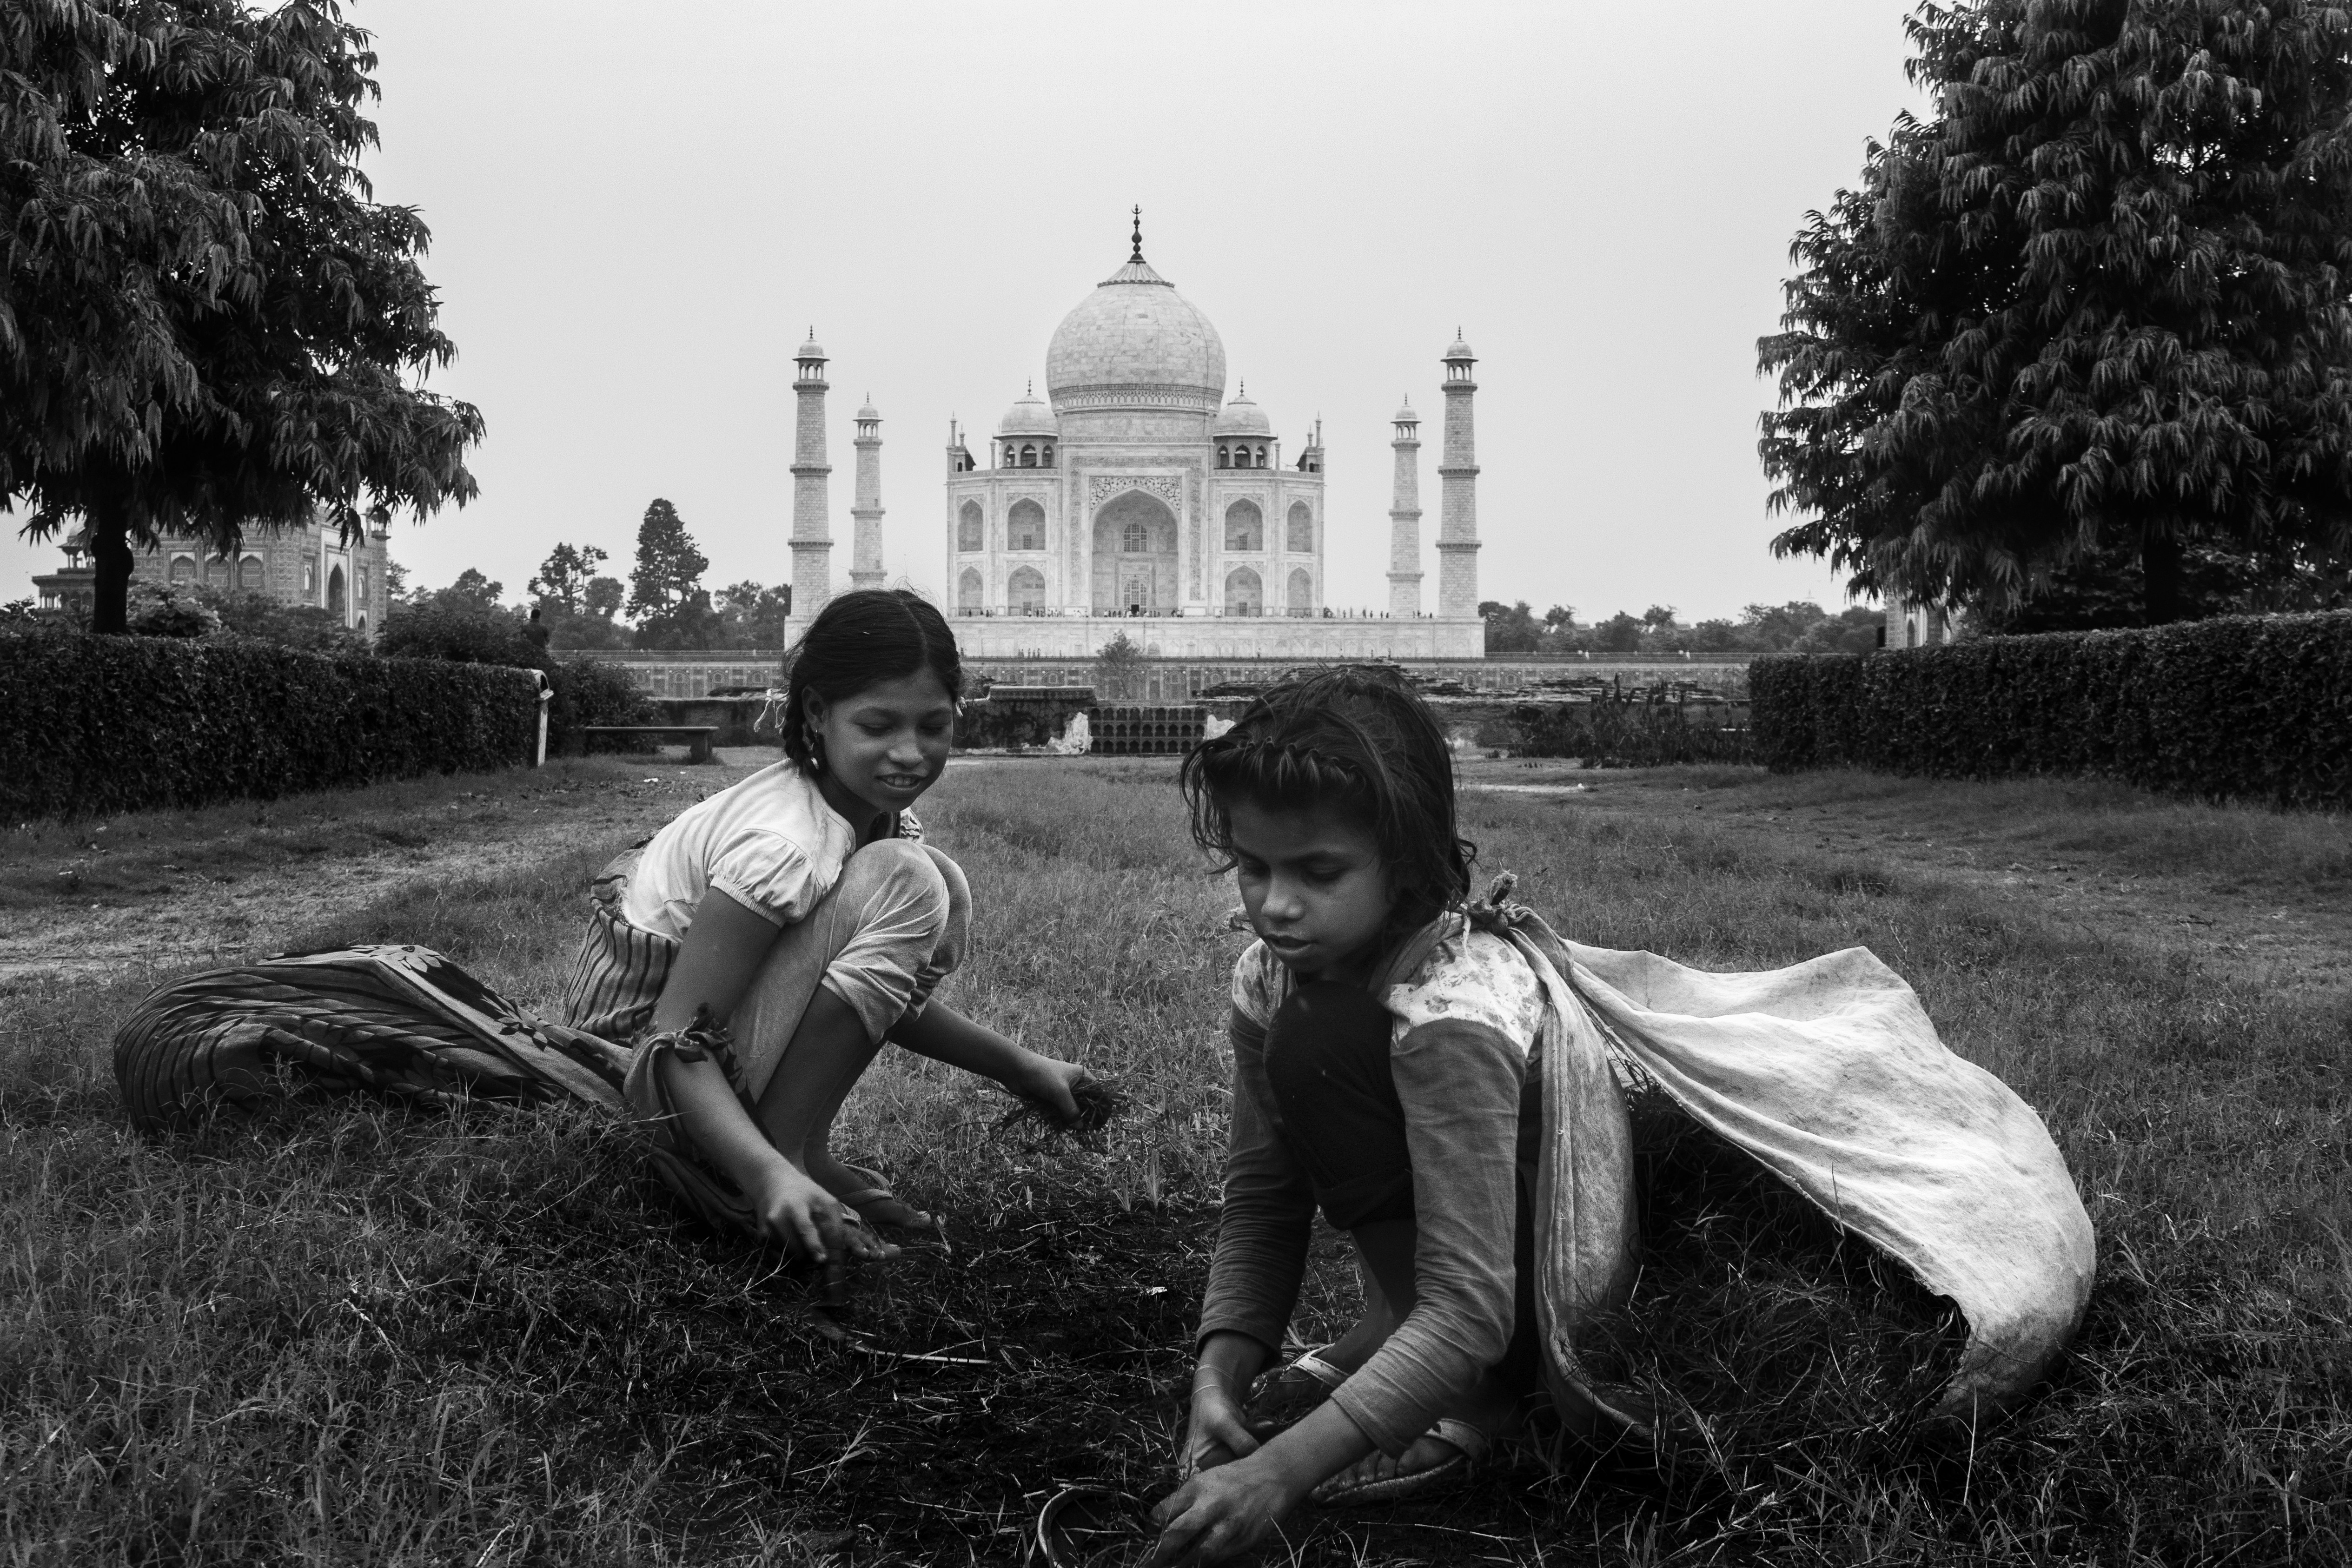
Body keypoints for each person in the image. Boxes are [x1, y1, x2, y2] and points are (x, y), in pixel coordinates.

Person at [559, 588, 1095, 1268]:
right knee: (909, 878)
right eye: (877, 727)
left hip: (694, 1075)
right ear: (817, 713)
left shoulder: (866, 818)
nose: (910, 753)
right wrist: (765, 1177)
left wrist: (1020, 1067)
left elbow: (868, 999)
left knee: (937, 882)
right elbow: (671, 1041)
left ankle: (803, 1146)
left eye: (932, 726)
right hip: (643, 1091)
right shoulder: (786, 840)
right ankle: (770, 1159)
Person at [1146, 668, 1536, 1562]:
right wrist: (1221, 1373)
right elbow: (1262, 1201)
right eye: (1254, 865)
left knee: (1324, 1036)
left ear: (1403, 867)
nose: (1275, 904)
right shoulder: (1271, 976)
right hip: (1455, 1291)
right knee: (1316, 1033)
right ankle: (1393, 1333)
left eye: (1319, 871)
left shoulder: (1455, 1006)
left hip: (1533, 1295)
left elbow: (1474, 1303)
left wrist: (1279, 1472)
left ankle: (1477, 1394)